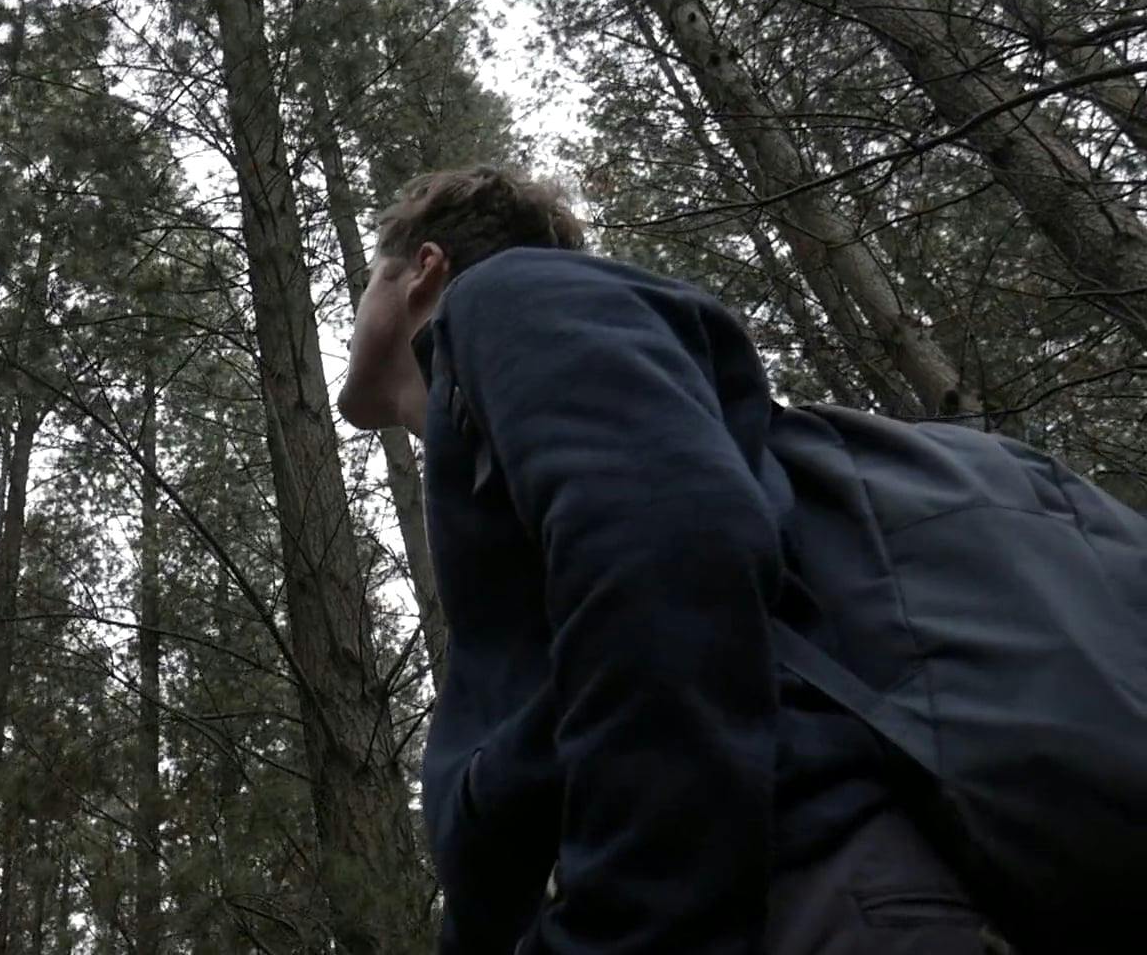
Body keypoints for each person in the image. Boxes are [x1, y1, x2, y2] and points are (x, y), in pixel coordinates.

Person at [336, 166, 1009, 954]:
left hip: (790, 893)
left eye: (365, 281)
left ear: (424, 269)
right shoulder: (491, 438)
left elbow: (674, 555)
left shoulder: (512, 295)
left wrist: (628, 918)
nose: (353, 317)